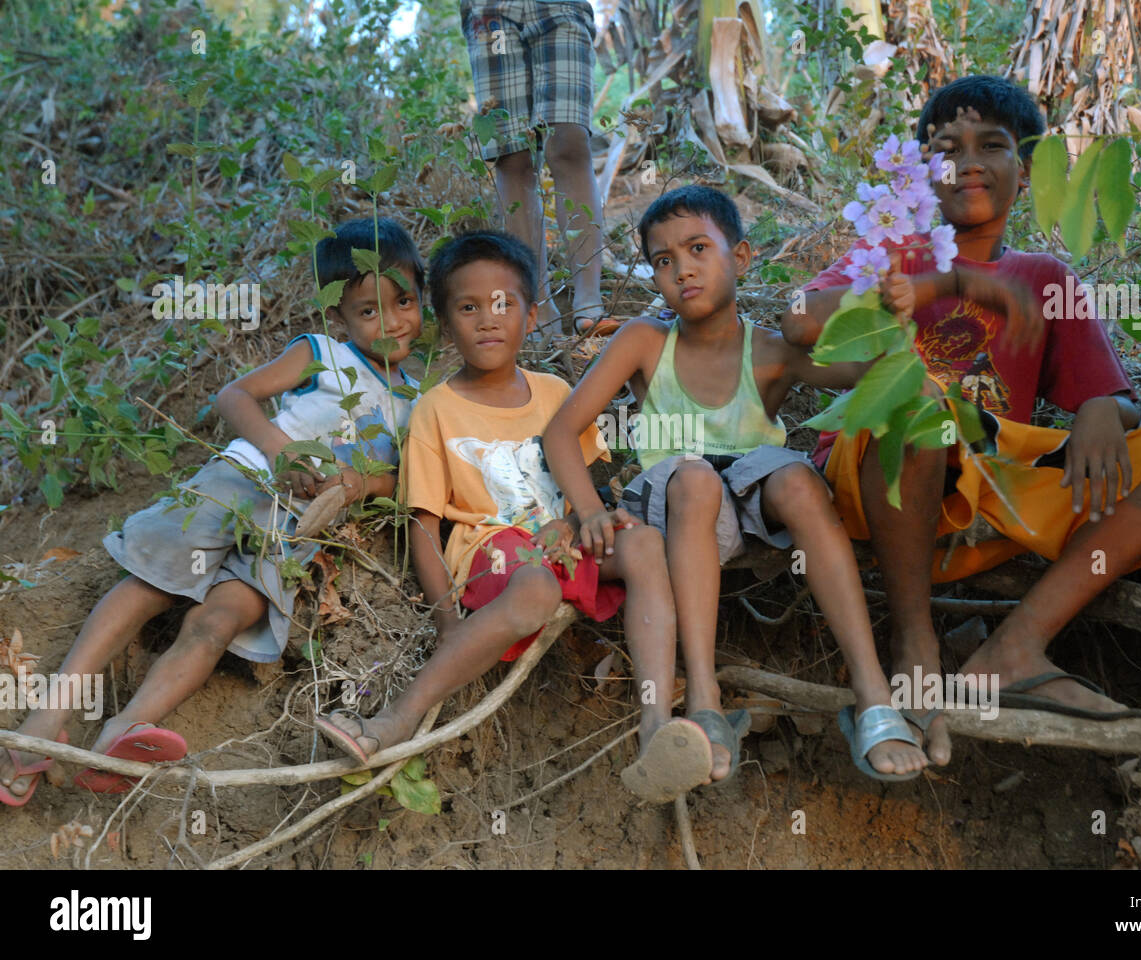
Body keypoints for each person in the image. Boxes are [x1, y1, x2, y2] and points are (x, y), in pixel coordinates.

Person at [781, 75, 1141, 766]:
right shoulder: (895, 257)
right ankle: (915, 639)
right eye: (946, 147)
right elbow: (799, 322)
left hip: (993, 497)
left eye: (991, 145)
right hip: (877, 490)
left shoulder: (1045, 279)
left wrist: (1103, 412)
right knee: (919, 406)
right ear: (919, 173)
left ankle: (1014, 650)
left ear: (1022, 172)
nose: (967, 162)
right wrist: (947, 281)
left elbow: (1110, 397)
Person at [1, 217, 425, 804]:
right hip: (242, 481)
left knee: (220, 619)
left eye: (404, 301)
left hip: (292, 535)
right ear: (340, 317)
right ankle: (45, 722)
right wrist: (282, 457)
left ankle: (124, 733)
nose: (392, 321)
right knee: (151, 583)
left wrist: (359, 485)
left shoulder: (417, 403)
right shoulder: (322, 353)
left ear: (422, 295)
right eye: (369, 311)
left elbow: (405, 481)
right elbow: (234, 395)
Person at [544, 186, 930, 785]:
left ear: (742, 257)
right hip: (676, 508)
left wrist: (886, 309)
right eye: (664, 261)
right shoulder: (646, 342)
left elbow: (873, 373)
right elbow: (562, 431)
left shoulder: (772, 354)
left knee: (798, 476)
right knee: (696, 477)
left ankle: (873, 693)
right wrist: (591, 509)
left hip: (755, 511)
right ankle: (705, 700)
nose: (682, 270)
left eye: (698, 248)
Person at [314, 231, 708, 804]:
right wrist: (447, 618)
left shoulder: (554, 392)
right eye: (467, 308)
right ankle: (394, 720)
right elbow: (422, 522)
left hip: (561, 545)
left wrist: (577, 524)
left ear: (531, 313)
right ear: (446, 325)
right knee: (534, 587)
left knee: (644, 543)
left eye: (502, 304)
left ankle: (654, 726)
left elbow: (582, 487)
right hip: (496, 554)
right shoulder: (436, 410)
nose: (487, 320)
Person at [460, 0, 616, 335]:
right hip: (489, 11)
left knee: (569, 141)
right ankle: (539, 306)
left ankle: (588, 301)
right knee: (513, 156)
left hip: (560, 6)